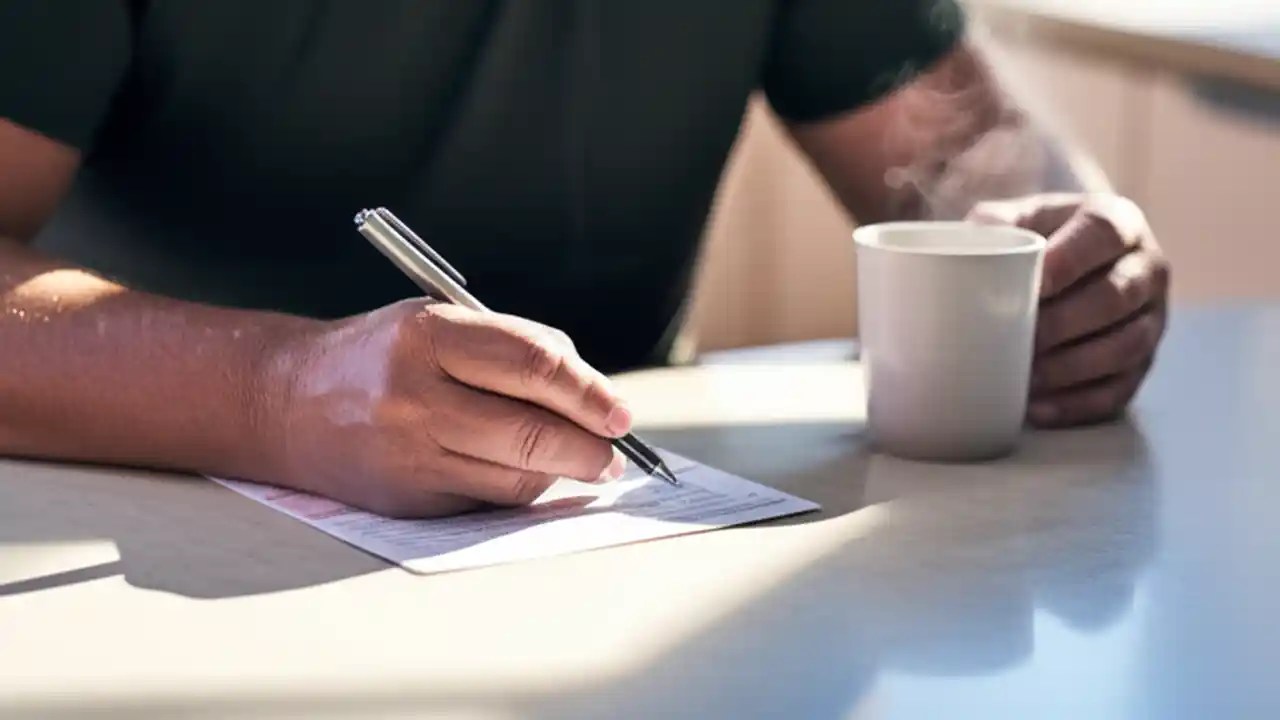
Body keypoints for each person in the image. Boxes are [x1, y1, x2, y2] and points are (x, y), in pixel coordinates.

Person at [0, 1, 1169, 518]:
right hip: (149, 530)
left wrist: (1073, 256)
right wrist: (281, 392)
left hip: (611, 540)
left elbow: (982, 172)